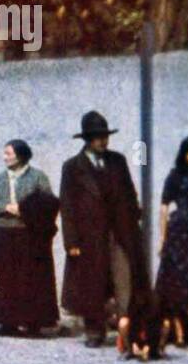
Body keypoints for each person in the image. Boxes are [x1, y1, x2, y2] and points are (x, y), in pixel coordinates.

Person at [59, 111, 145, 348]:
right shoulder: (72, 167)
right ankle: (94, 331)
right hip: (89, 236)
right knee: (92, 284)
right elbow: (67, 206)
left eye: (105, 136)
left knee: (124, 279)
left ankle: (127, 330)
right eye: (97, 137)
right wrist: (72, 242)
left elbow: (129, 193)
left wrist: (135, 217)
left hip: (120, 232)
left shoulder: (118, 161)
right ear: (87, 139)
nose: (103, 141)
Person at [0, 141, 59, 338]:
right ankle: (2, 320)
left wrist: (25, 210)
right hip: (1, 234)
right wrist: (6, 207)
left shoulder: (38, 177)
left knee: (31, 278)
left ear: (20, 156)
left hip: (28, 235)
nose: (4, 157)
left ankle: (33, 323)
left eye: (8, 153)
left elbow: (48, 203)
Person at [155, 136, 188, 338]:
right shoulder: (175, 176)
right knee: (176, 282)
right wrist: (162, 237)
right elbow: (163, 207)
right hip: (180, 235)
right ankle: (177, 329)